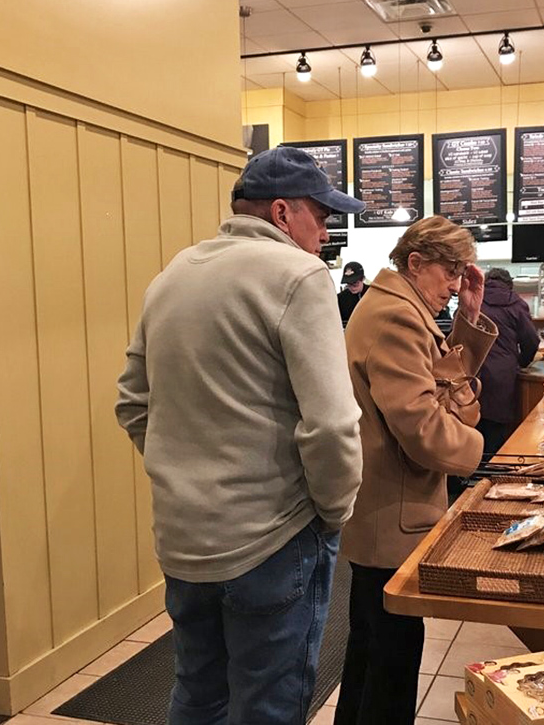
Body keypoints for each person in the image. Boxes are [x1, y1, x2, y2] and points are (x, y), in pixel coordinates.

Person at [115, 146, 365, 725]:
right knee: (268, 706)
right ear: (282, 213)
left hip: (183, 536)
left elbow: (132, 402)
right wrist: (333, 512)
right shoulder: (299, 275)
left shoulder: (174, 274)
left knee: (197, 696)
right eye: (321, 215)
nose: (325, 232)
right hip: (273, 538)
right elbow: (331, 423)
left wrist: (182, 472)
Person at [334, 215, 498, 725]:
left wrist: (467, 318)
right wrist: (484, 456)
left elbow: (449, 390)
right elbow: (424, 428)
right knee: (391, 659)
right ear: (416, 262)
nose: (454, 284)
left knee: (372, 650)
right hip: (392, 511)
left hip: (386, 508)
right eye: (450, 272)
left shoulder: (402, 308)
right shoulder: (397, 318)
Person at [478, 267, 540, 457]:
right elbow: (531, 341)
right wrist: (522, 362)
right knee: (496, 435)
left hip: (473, 374)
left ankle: (472, 473)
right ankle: (492, 471)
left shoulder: (473, 299)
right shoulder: (516, 303)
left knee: (473, 428)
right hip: (502, 376)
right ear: (509, 285)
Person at [338, 261, 369, 326]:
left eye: (355, 284)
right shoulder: (340, 298)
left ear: (363, 279)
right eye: (349, 284)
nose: (352, 287)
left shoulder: (374, 294)